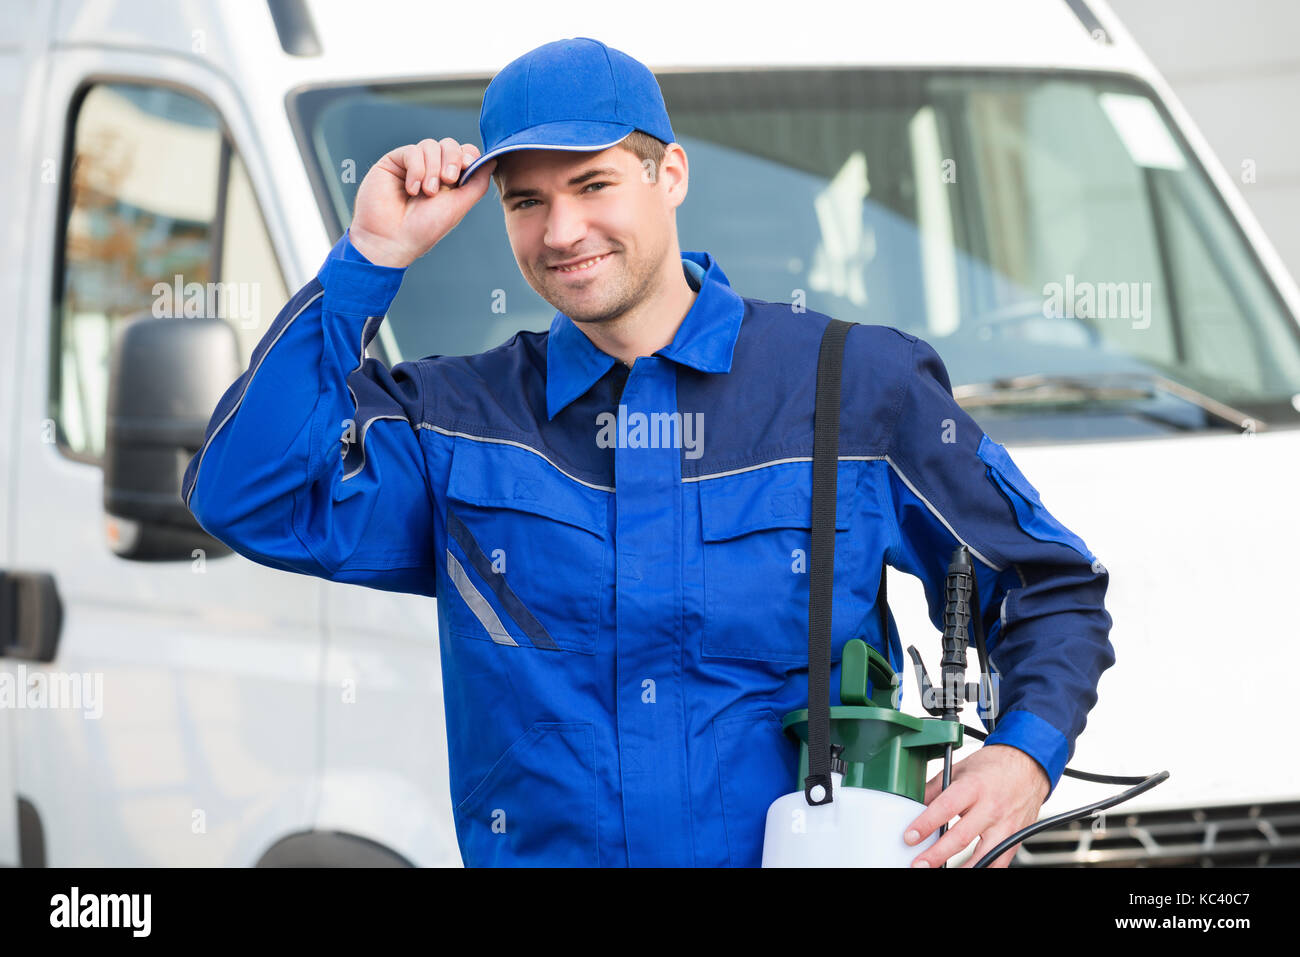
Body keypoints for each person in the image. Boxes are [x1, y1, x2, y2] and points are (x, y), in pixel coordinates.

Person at [182, 36, 1114, 867]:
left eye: (592, 186)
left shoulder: (851, 387)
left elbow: (1048, 584)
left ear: (669, 173)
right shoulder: (454, 422)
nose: (560, 232)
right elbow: (246, 492)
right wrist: (371, 254)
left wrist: (1023, 754)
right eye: (526, 202)